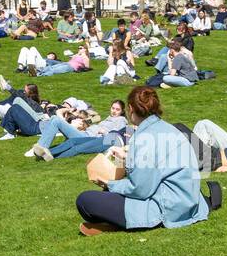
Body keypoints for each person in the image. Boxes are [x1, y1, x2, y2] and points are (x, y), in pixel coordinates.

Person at [75, 87, 209, 235]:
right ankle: (113, 220)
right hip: (188, 201)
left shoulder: (144, 137)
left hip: (166, 207)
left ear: (131, 108)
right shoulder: (170, 129)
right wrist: (128, 159)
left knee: (85, 200)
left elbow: (140, 189)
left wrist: (110, 184)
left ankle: (124, 222)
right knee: (107, 194)